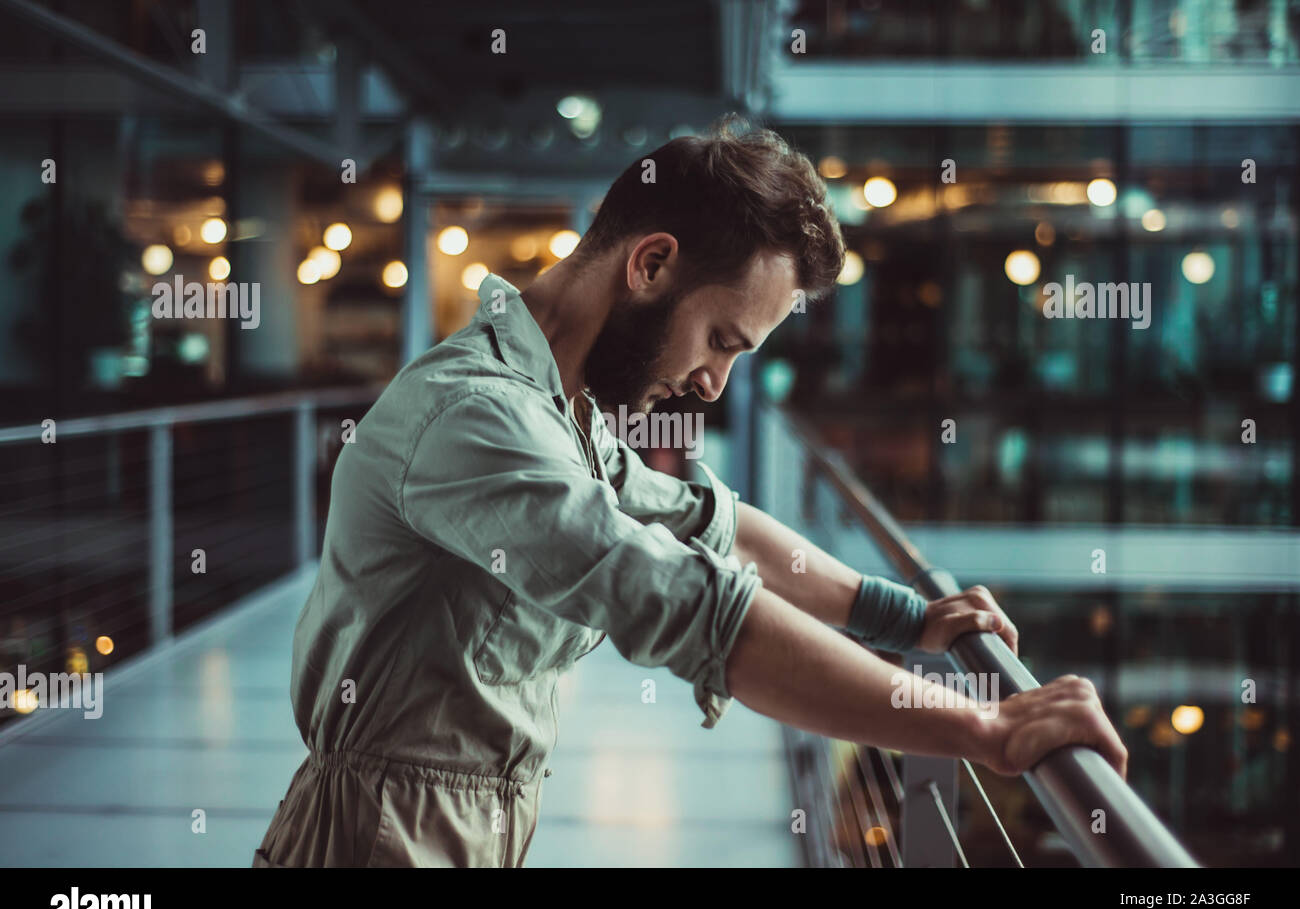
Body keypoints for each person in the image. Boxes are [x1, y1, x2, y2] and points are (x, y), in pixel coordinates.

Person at [252, 116, 1127, 868]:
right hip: (371, 840)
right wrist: (985, 729)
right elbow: (683, 598)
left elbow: (715, 529)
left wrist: (909, 619)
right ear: (651, 264)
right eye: (719, 339)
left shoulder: (570, 413)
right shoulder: (476, 417)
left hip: (462, 829)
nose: (713, 384)